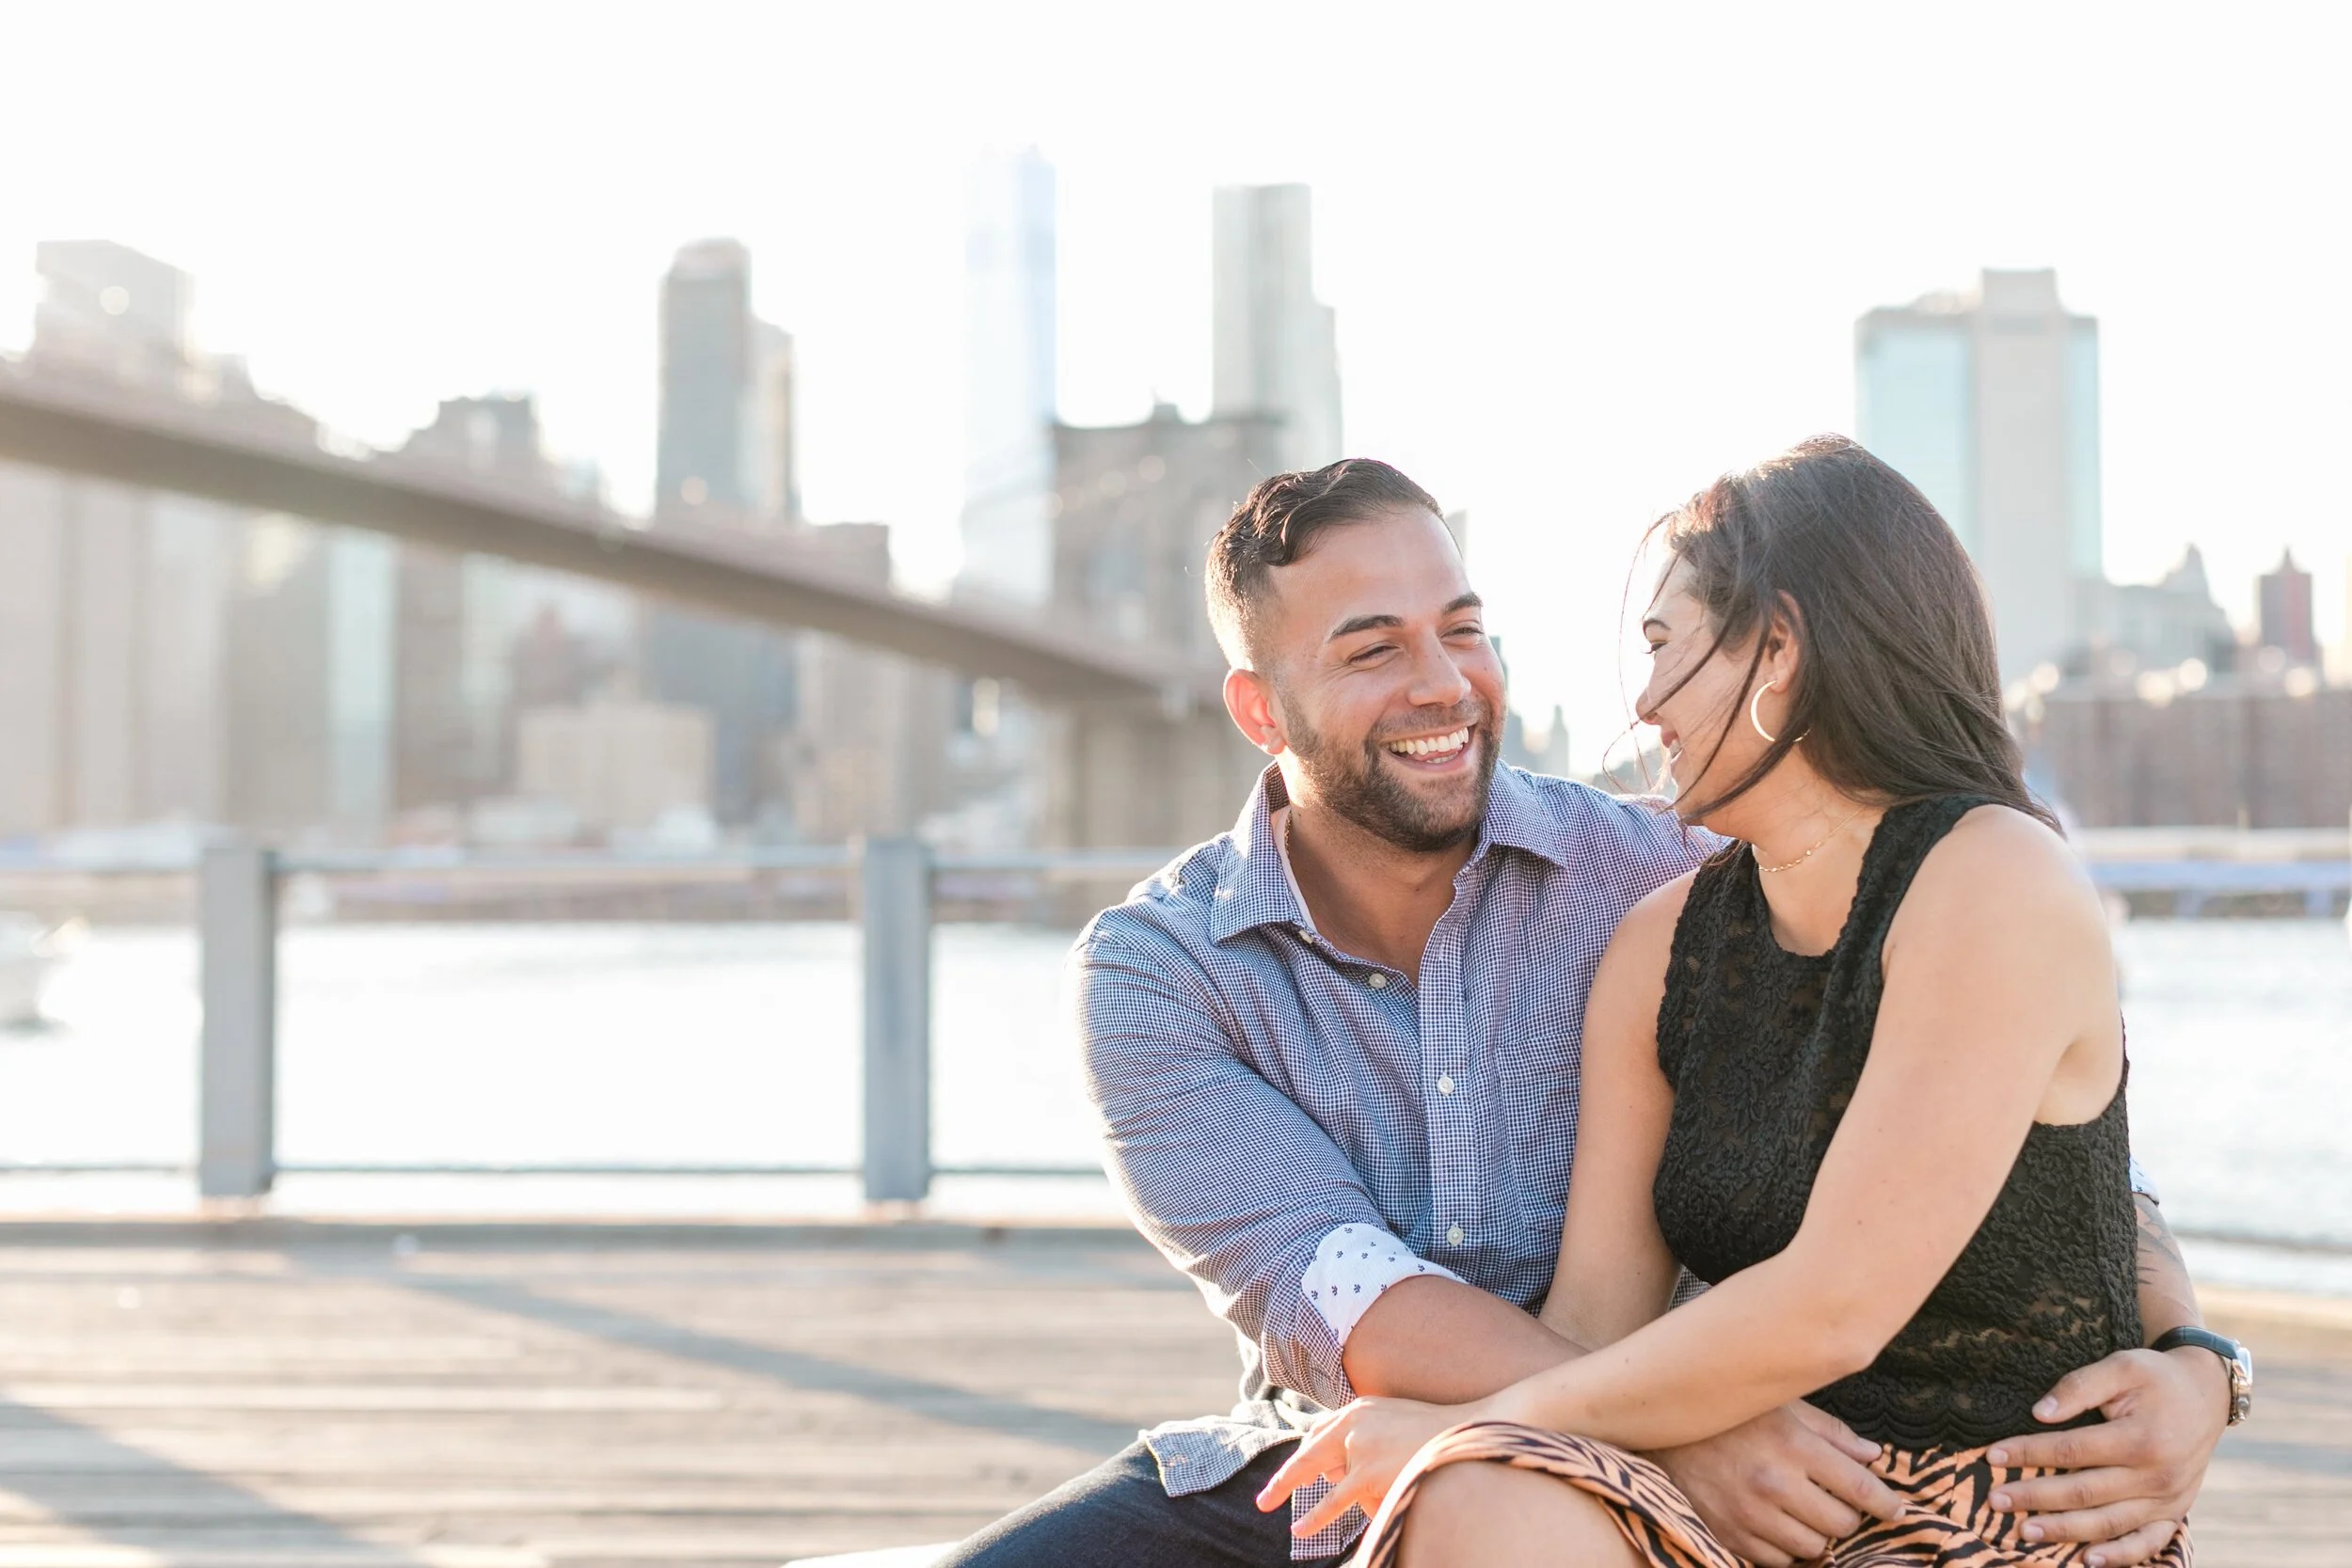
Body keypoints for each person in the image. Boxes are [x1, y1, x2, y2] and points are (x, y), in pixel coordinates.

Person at [938, 456, 2228, 1568]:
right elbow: (1360, 1300)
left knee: (1479, 1493)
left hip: (1702, 1446)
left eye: (1464, 628)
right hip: (1372, 1450)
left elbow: (2048, 1158)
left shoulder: (1663, 870)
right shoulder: (1162, 973)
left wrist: (2198, 1358)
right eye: (1374, 647)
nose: (1444, 682)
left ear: (1778, 654)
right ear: (1260, 708)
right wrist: (1658, 1422)